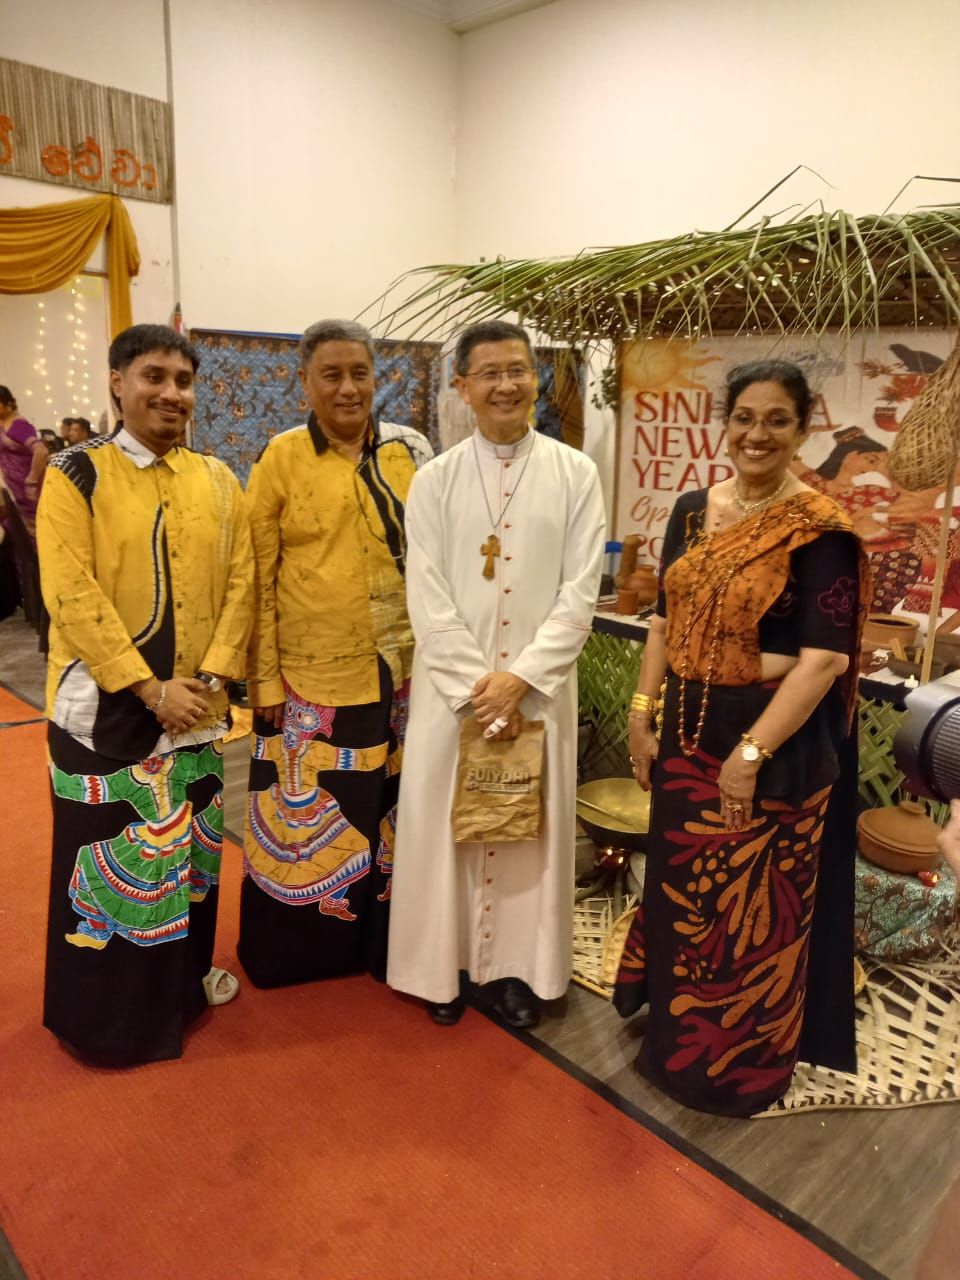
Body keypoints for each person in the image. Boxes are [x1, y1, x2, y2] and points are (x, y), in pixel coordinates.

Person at [613, 359, 871, 1116]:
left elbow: (823, 658)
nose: (758, 435)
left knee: (753, 922)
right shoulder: (693, 510)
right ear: (726, 423)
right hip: (687, 735)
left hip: (774, 747)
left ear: (804, 429)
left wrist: (750, 755)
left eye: (777, 421)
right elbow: (664, 620)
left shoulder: (819, 530)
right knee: (684, 900)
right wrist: (639, 711)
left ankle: (736, 1073)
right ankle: (674, 1039)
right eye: (745, 418)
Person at [37, 324, 254, 1066]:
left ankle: (180, 996)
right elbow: (71, 594)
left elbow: (243, 584)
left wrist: (215, 677)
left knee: (189, 864)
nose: (170, 392)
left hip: (197, 710)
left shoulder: (220, 480)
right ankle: (106, 1021)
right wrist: (149, 687)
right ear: (117, 383)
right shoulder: (77, 472)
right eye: (153, 376)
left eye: (183, 380)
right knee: (109, 867)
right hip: (104, 712)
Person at [387, 319, 606, 1028]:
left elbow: (582, 590)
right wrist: (478, 689)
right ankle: (442, 970)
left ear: (535, 379)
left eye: (518, 370)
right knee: (444, 828)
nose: (506, 384)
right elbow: (425, 592)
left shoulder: (575, 474)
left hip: (537, 700)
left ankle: (517, 973)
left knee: (527, 841)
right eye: (489, 373)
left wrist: (522, 681)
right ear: (463, 387)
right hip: (457, 701)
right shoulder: (434, 481)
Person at [240, 319, 432, 988]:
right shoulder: (281, 458)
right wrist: (261, 678)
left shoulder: (411, 453)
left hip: (403, 671)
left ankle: (381, 948)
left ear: (377, 379)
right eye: (332, 375)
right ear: (307, 383)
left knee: (389, 806)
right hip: (311, 676)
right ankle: (299, 955)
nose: (348, 388)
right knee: (309, 812)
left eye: (360, 373)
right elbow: (255, 575)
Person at [0, 386, 48, 636]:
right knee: (22, 552)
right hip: (15, 501)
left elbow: (41, 451)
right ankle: (31, 604)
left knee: (41, 553)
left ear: (7, 403)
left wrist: (31, 480)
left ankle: (46, 604)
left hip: (32, 498)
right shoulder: (1, 426)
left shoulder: (19, 425)